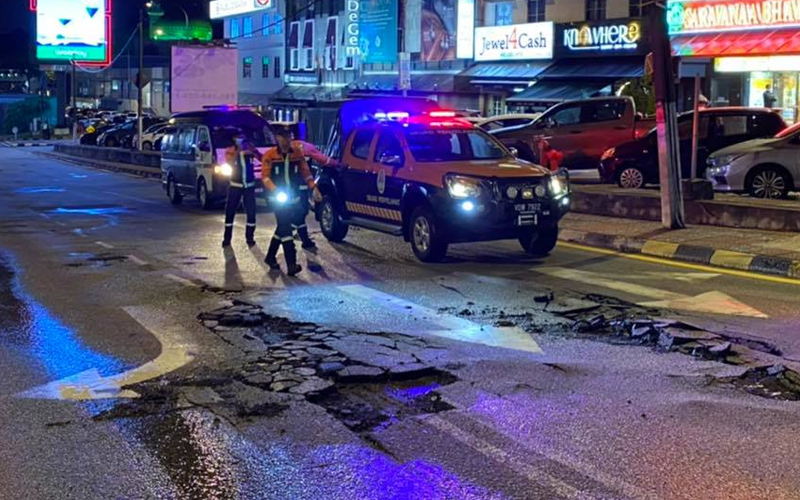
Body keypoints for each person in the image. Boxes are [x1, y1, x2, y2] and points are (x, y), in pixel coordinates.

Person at [261, 129, 321, 276]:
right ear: (277, 138)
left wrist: (314, 188)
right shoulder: (270, 155)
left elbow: (305, 172)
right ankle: (291, 264)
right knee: (286, 230)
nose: (286, 140)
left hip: (293, 198)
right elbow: (265, 177)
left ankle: (270, 257)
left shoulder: (297, 154)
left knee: (283, 228)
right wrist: (275, 190)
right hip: (277, 199)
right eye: (283, 136)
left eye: (289, 136)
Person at [286, 127, 340, 249]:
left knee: (295, 210)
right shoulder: (305, 147)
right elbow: (323, 159)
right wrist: (338, 164)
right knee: (302, 210)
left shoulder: (281, 149)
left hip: (288, 185)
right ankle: (298, 235)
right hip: (301, 185)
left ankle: (295, 233)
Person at [222, 132, 259, 248]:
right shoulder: (231, 150)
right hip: (235, 185)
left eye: (242, 138)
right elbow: (230, 162)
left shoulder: (250, 150)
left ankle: (250, 237)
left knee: (251, 212)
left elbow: (262, 159)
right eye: (238, 138)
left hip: (249, 186)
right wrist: (238, 151)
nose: (240, 140)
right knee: (230, 212)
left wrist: (254, 151)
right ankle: (227, 239)